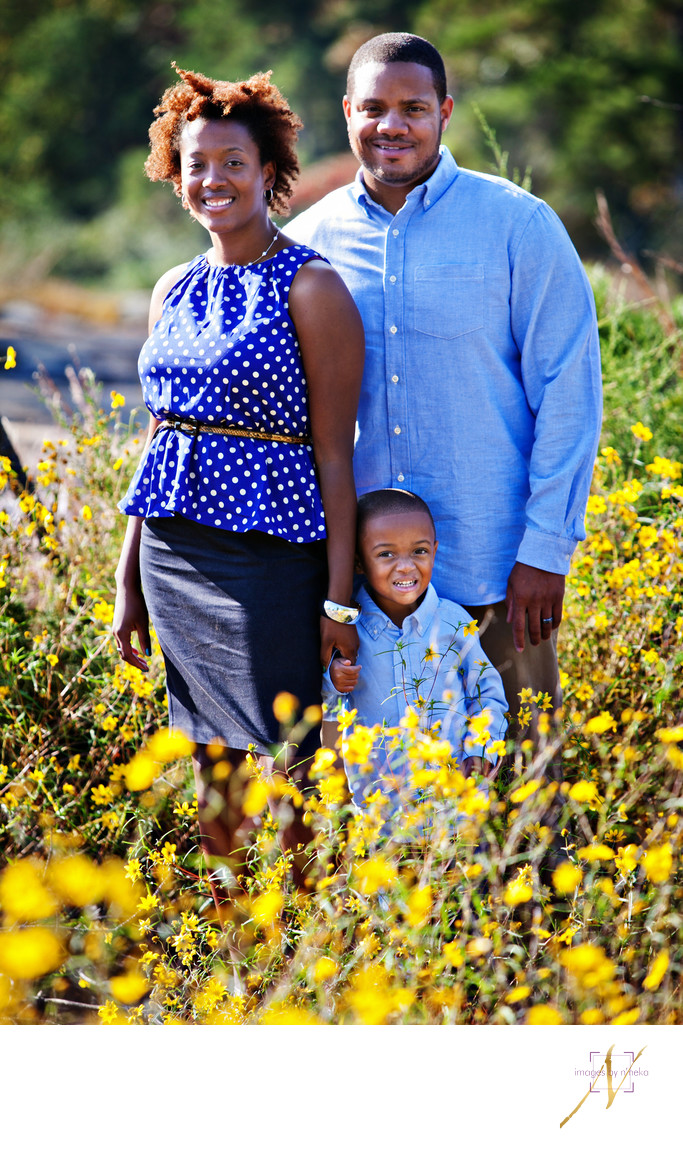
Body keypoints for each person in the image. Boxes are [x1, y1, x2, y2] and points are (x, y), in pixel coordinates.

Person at [286, 33, 602, 751]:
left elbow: (568, 394)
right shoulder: (308, 244)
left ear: (445, 112)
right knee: (374, 784)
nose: (392, 125)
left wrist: (546, 552)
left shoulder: (518, 225)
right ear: (347, 112)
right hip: (362, 593)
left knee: (519, 781)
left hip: (496, 573)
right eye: (374, 108)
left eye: (413, 108)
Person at [113, 65, 363, 911]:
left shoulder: (312, 287)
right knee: (209, 757)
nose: (212, 179)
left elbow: (334, 456)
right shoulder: (172, 288)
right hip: (174, 556)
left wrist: (337, 603)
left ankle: (306, 936)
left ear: (268, 172)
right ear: (173, 173)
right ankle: (233, 936)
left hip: (271, 558)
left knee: (292, 754)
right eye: (196, 164)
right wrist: (127, 578)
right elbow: (158, 438)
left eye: (232, 162)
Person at [324, 488, 508, 817]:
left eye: (419, 551)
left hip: (455, 802)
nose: (406, 567)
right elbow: (326, 708)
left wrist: (481, 749)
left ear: (434, 551)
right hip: (382, 809)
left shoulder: (454, 623)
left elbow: (487, 694)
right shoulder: (350, 632)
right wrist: (333, 679)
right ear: (358, 561)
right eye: (386, 555)